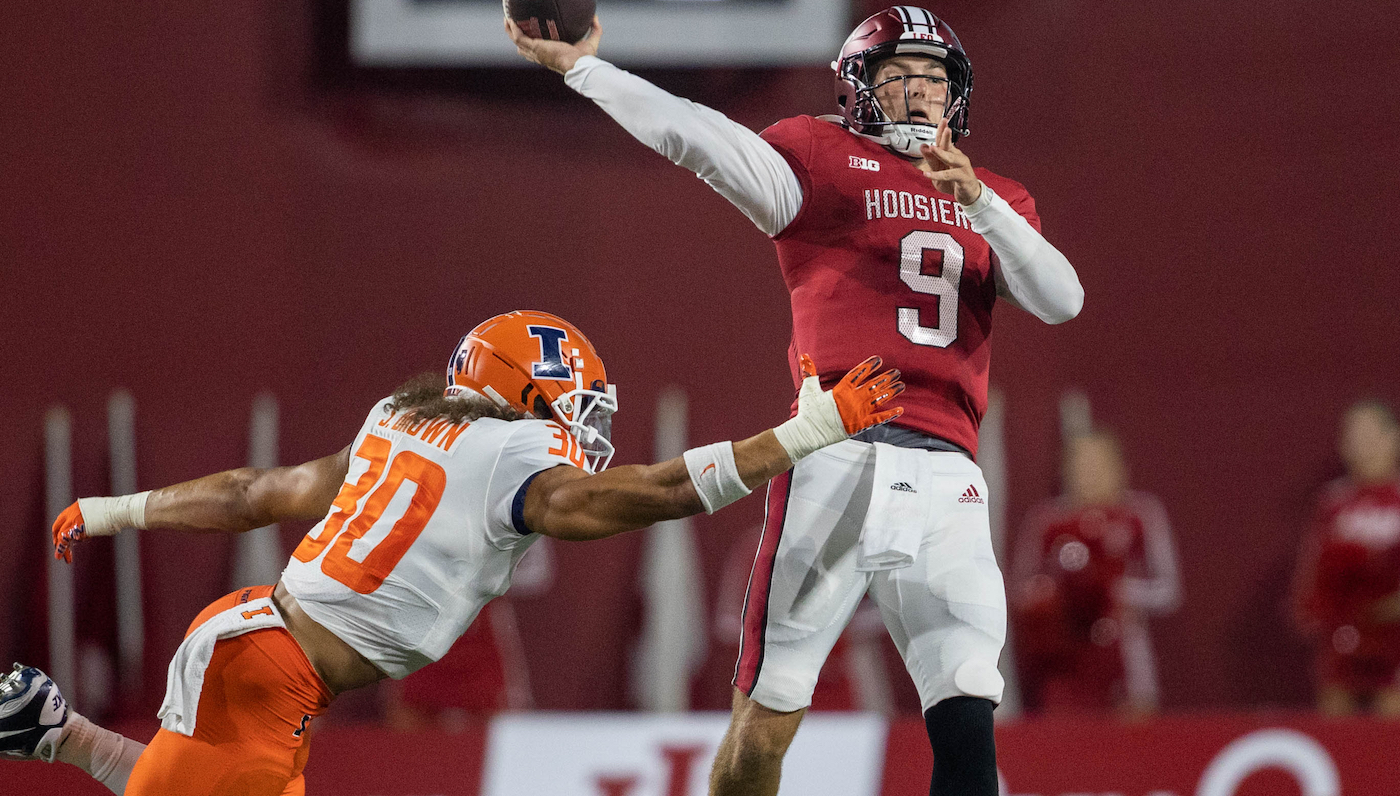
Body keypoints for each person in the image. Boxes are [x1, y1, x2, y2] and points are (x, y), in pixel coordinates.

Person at [507, 6, 1083, 796]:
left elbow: (1062, 298)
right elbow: (696, 137)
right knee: (765, 725)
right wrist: (585, 69)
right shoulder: (820, 154)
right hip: (835, 452)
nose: (921, 94)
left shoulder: (998, 198)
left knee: (967, 717)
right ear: (859, 88)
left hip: (951, 476)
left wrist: (977, 200)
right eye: (900, 75)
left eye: (935, 78)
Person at [1, 310, 903, 795]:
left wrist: (116, 510)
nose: (580, 430)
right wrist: (806, 428)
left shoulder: (400, 420)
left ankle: (59, 732)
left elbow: (256, 493)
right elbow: (657, 491)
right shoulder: (515, 453)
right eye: (570, 405)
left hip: (262, 661)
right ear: (523, 395)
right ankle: (59, 732)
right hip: (265, 672)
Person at [1009, 429, 1180, 715]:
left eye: (1098, 465)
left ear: (1118, 467)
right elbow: (1021, 588)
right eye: (1081, 466)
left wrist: (1113, 591)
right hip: (1063, 664)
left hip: (1126, 661)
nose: (1090, 474)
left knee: (1131, 745)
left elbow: (1168, 589)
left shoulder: (1140, 515)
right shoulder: (1048, 522)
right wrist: (1059, 598)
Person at [1292, 399, 1400, 717]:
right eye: (1352, 435)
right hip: (1346, 633)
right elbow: (1313, 570)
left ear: (1393, 437)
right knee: (1337, 728)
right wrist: (1315, 610)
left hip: (1394, 635)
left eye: (1369, 433)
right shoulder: (1333, 502)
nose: (1359, 443)